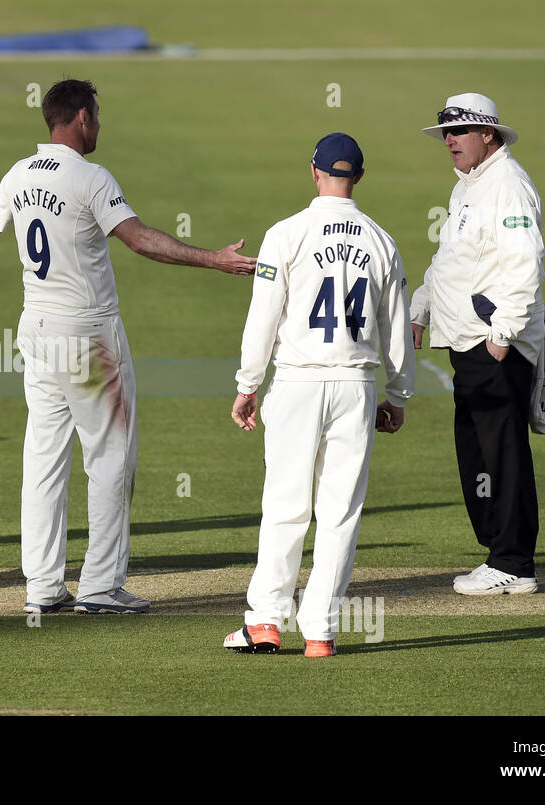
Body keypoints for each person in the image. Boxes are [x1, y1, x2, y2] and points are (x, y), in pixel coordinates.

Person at [0, 78, 255, 614]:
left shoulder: (19, 173)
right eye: (97, 115)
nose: (100, 125)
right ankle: (101, 586)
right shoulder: (90, 178)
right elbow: (138, 238)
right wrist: (214, 259)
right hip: (86, 336)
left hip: (37, 332)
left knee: (43, 458)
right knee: (110, 457)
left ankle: (41, 587)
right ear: (82, 117)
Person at [223, 133, 414, 657]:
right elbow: (395, 327)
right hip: (355, 385)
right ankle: (320, 631)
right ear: (359, 177)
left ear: (313, 171)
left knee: (285, 503)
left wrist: (247, 383)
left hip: (297, 382)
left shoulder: (286, 234)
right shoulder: (381, 240)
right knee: (339, 512)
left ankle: (264, 621)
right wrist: (397, 394)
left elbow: (262, 317)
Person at [410, 94, 544, 596]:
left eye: (460, 131)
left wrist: (504, 336)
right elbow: (451, 260)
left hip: (493, 343)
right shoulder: (469, 186)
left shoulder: (506, 185)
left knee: (501, 450)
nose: (450, 140)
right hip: (468, 341)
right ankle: (500, 555)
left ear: (489, 134)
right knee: (477, 451)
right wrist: (421, 307)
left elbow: (524, 261)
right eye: (446, 132)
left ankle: (513, 561)